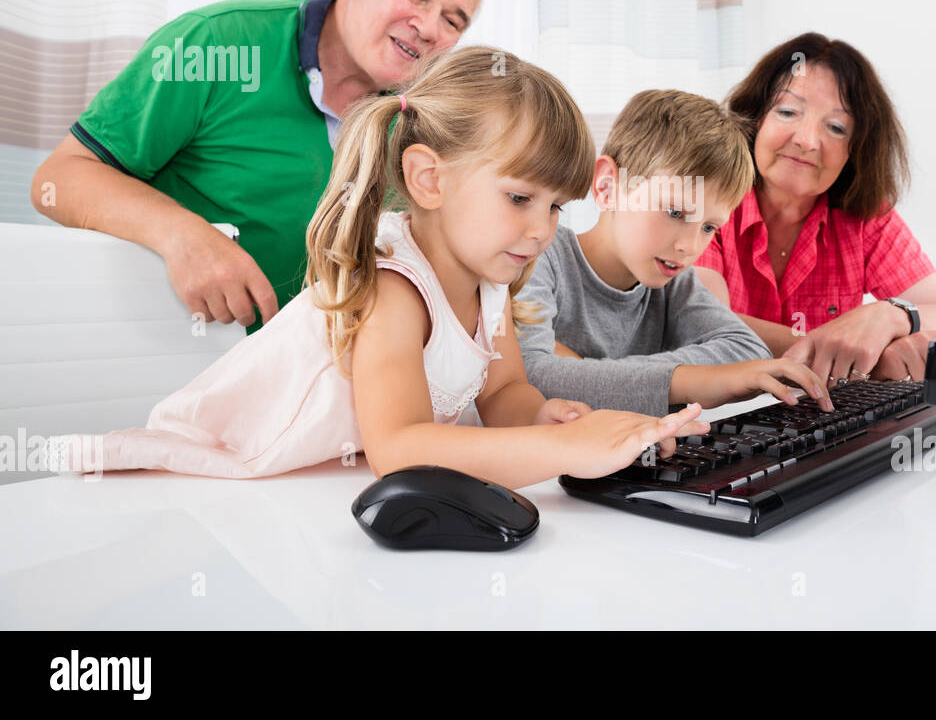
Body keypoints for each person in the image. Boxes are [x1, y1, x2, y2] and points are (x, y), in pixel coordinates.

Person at [50, 48, 710, 488]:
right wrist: (569, 454)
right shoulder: (394, 285)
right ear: (428, 179)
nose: (542, 229)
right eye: (519, 198)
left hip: (308, 488)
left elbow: (504, 392)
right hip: (220, 472)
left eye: (556, 207)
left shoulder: (490, 281)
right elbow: (398, 450)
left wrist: (547, 421)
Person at [30, 0, 488, 334]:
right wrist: (183, 234)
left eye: (452, 20)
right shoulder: (215, 43)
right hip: (166, 357)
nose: (428, 27)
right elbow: (59, 179)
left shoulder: (426, 128)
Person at [517, 89, 827, 415]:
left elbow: (746, 351)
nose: (690, 247)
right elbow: (529, 374)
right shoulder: (540, 257)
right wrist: (684, 380)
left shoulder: (673, 283)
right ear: (608, 187)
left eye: (709, 227)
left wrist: (584, 371)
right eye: (675, 213)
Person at [694, 33, 936, 388]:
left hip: (822, 421)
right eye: (787, 111)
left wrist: (893, 316)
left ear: (855, 151)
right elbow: (705, 322)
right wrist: (854, 354)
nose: (807, 140)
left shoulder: (865, 217)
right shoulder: (710, 196)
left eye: (836, 127)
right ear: (754, 119)